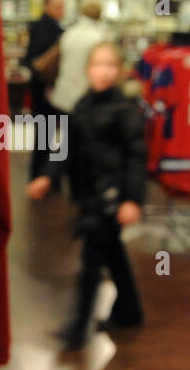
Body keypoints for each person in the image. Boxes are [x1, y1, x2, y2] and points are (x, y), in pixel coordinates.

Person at [27, 42, 146, 350]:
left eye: (110, 65)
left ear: (119, 71)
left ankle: (79, 328)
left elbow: (136, 158)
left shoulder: (125, 110)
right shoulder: (83, 105)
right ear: (87, 69)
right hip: (89, 194)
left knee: (92, 260)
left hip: (111, 197)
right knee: (113, 254)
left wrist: (132, 200)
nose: (103, 71)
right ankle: (130, 312)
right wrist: (46, 177)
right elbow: (66, 148)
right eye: (97, 64)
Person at [24, 0, 66, 180]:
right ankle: (44, 176)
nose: (61, 10)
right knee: (46, 134)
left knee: (45, 134)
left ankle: (43, 174)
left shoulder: (43, 27)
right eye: (57, 6)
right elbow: (37, 60)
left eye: (62, 6)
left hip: (44, 89)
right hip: (47, 90)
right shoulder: (47, 29)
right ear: (47, 7)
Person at [50, 0, 107, 115]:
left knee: (69, 129)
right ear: (99, 15)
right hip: (86, 94)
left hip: (64, 91)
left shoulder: (69, 33)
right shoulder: (99, 37)